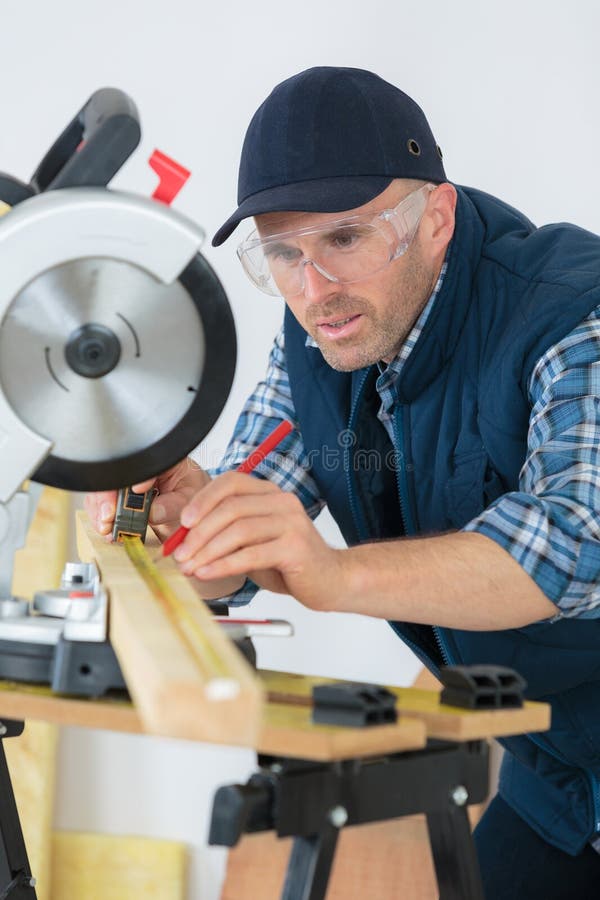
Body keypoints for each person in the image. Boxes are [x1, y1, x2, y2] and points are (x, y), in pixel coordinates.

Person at [86, 67, 600, 898]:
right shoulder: (320, 343)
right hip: (559, 785)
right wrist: (187, 517)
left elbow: (575, 545)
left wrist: (329, 574)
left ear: (435, 219)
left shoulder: (573, 312)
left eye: (344, 241)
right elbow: (254, 524)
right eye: (282, 255)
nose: (312, 290)